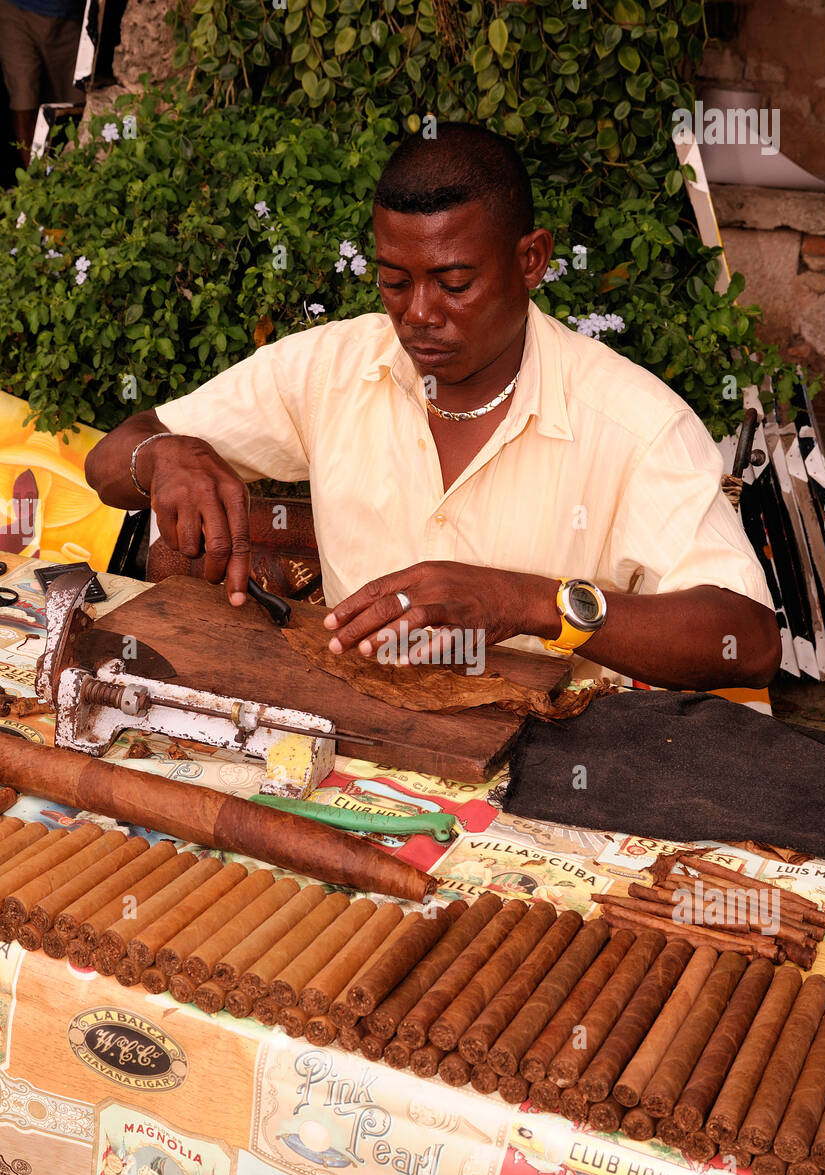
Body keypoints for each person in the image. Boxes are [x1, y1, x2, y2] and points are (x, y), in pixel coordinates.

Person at [86, 123, 781, 692]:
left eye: (453, 282)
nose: (418, 315)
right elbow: (108, 463)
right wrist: (166, 455)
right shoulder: (331, 368)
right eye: (394, 282)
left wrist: (524, 603)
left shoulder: (632, 422)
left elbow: (744, 640)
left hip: (552, 763)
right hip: (364, 731)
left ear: (531, 260)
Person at [0, 0, 84, 166]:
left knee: (78, 104)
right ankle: (33, 181)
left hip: (70, 17)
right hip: (16, 8)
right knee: (23, 98)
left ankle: (78, 178)